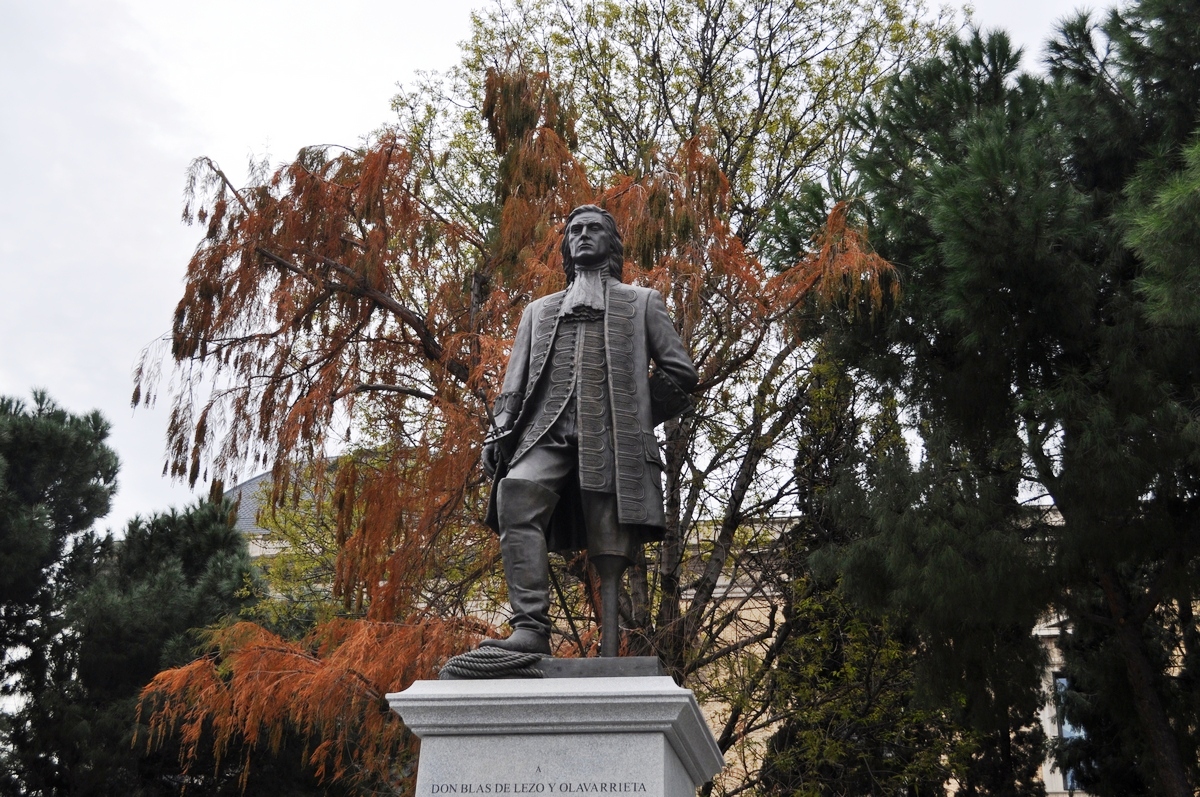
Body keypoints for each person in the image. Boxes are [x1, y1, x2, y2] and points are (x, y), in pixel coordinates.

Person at [481, 204, 698, 656]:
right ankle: (530, 628)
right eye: (575, 230)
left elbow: (681, 374)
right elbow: (512, 387)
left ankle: (611, 649)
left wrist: (634, 413)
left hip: (612, 435)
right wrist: (498, 432)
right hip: (546, 430)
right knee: (514, 492)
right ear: (567, 244)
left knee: (610, 539)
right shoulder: (539, 311)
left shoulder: (642, 302)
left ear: (610, 242)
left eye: (593, 229)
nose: (582, 235)